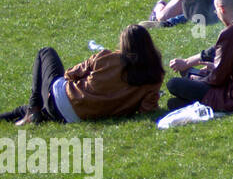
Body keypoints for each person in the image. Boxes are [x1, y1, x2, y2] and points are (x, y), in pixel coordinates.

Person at [4, 25, 164, 125]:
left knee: (46, 52)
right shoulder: (154, 76)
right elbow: (146, 109)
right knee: (32, 110)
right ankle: (33, 111)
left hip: (64, 98)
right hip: (76, 116)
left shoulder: (106, 57)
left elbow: (69, 74)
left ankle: (33, 107)